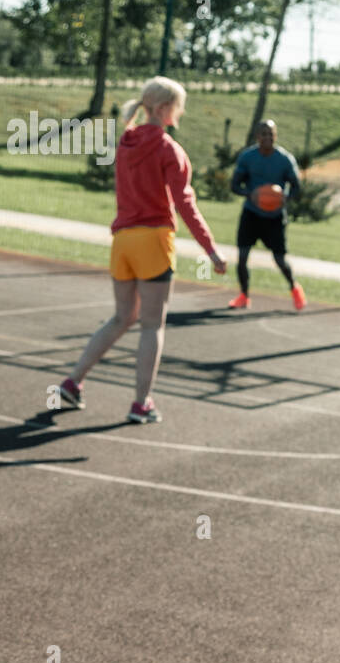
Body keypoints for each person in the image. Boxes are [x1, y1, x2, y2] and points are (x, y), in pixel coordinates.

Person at [58, 76, 226, 424]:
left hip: (123, 241)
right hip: (152, 241)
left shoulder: (125, 142)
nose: (180, 112)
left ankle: (73, 382)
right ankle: (141, 403)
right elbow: (185, 204)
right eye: (178, 105)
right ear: (165, 108)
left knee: (122, 317)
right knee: (152, 325)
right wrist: (210, 249)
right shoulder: (169, 150)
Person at [228, 119, 306, 311]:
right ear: (257, 137)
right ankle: (244, 296)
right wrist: (250, 194)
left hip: (275, 217)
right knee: (243, 256)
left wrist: (285, 198)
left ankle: (295, 288)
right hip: (252, 214)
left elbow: (297, 187)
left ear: (275, 136)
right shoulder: (247, 157)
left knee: (280, 260)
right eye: (263, 134)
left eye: (271, 134)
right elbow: (234, 185)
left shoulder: (285, 159)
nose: (267, 137)